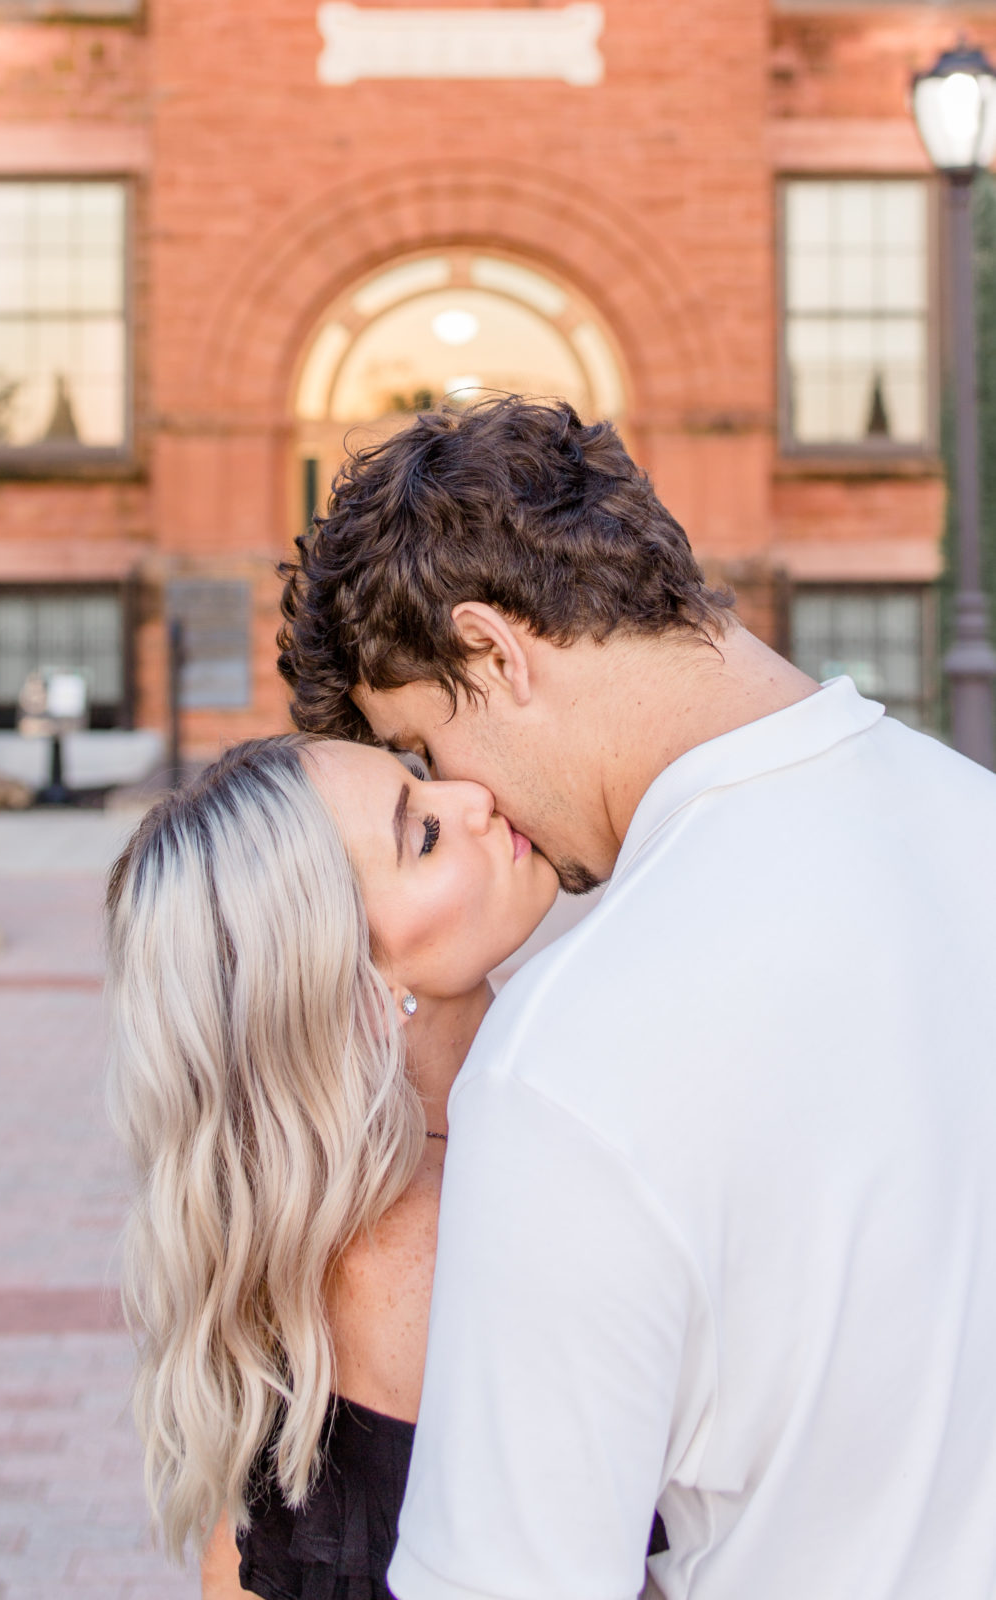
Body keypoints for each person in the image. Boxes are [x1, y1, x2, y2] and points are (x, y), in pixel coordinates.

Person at [277, 395, 996, 1600]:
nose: (467, 800)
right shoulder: (976, 822)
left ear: (493, 652)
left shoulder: (565, 1056)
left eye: (428, 748)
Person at [105, 732, 566, 1597]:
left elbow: (233, 1556)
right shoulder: (438, 1240)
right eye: (422, 835)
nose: (473, 800)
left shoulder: (327, 1203)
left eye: (422, 780)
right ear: (352, 986)